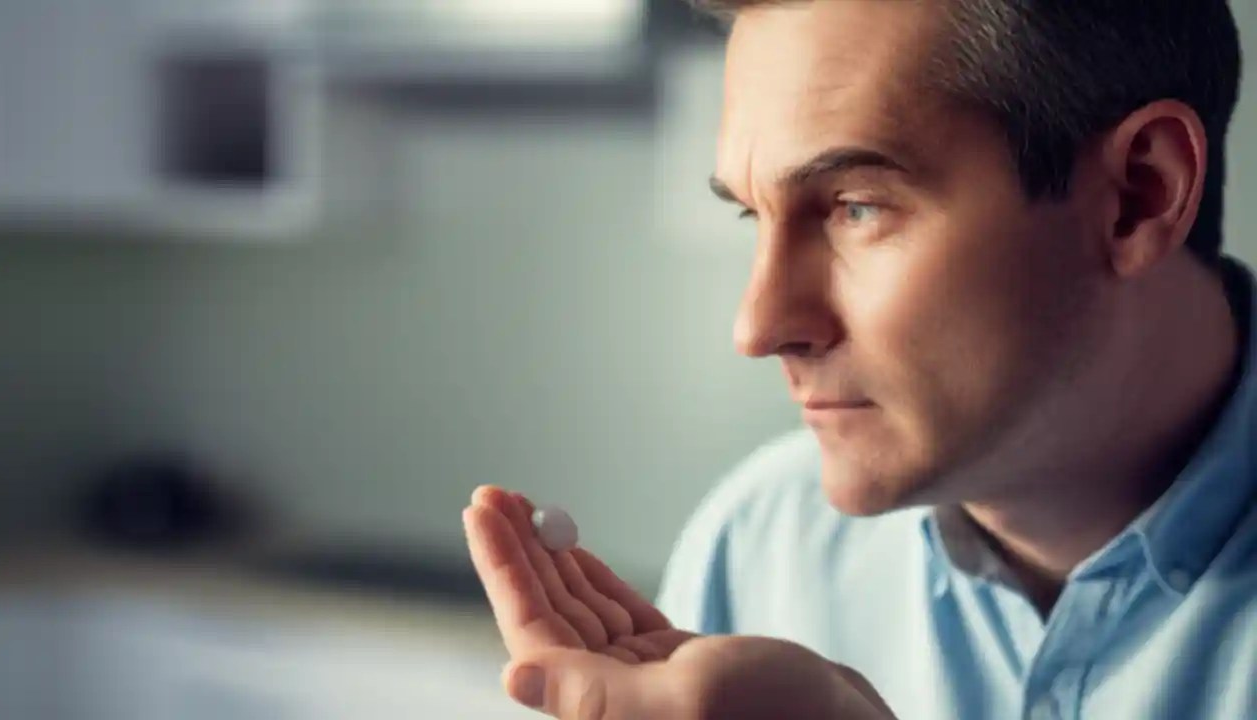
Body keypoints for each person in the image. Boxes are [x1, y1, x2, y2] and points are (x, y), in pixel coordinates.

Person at [463, 0, 1254, 717]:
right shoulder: (758, 545)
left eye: (856, 207)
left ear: (1139, 194)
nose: (758, 325)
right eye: (753, 213)